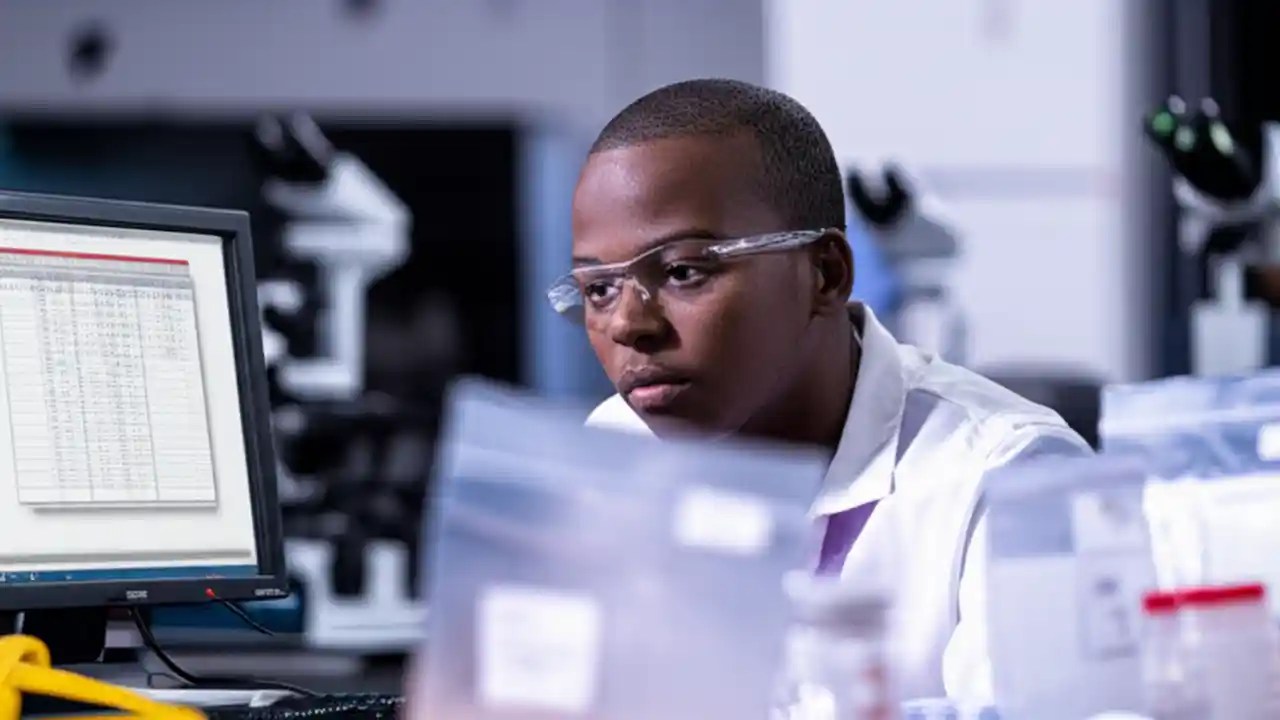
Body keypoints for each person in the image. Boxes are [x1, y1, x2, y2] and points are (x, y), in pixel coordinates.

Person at [549, 78, 1091, 704]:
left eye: (682, 271)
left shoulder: (1009, 482)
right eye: (598, 290)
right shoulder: (612, 450)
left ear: (826, 274)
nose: (627, 325)